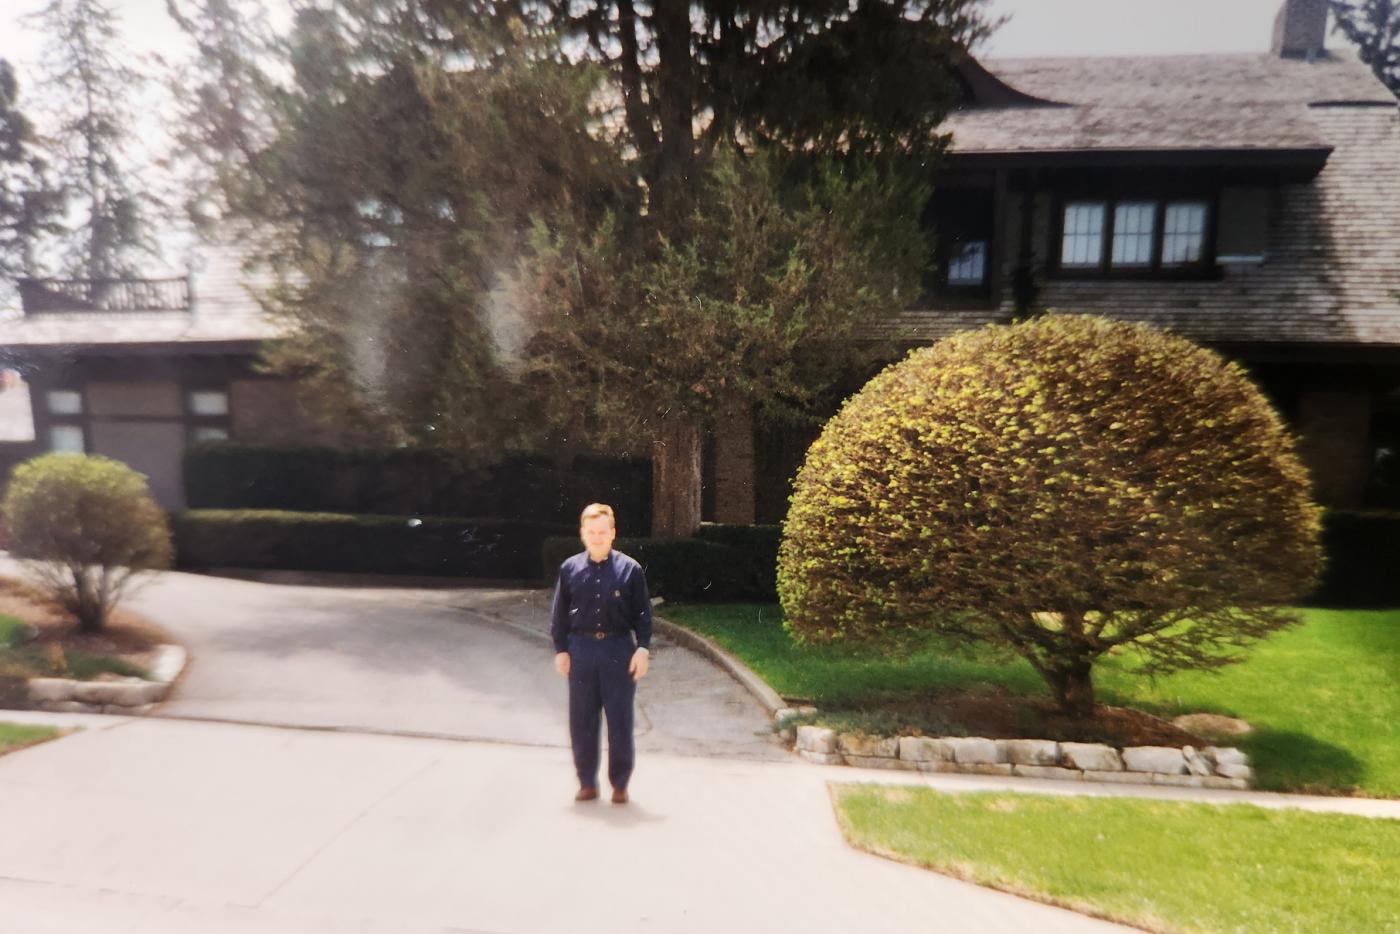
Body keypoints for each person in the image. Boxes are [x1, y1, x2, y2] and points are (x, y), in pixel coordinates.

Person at [551, 503, 653, 804]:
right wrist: (561, 650)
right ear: (583, 534)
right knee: (581, 720)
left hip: (617, 650)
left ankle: (619, 783)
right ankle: (587, 782)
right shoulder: (570, 569)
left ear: (613, 533)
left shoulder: (630, 570)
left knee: (619, 719)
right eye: (591, 532)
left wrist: (643, 649)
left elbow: (643, 615)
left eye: (602, 532)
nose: (597, 537)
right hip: (581, 650)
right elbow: (559, 616)